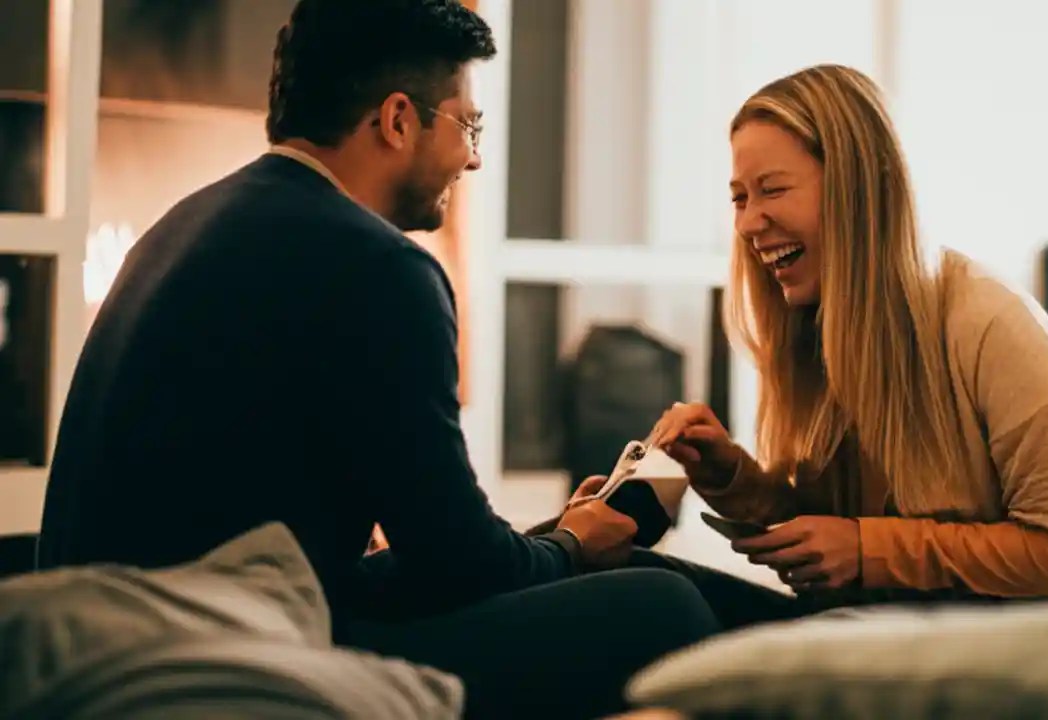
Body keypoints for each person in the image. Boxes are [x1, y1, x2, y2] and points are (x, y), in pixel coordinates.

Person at [37, 1, 717, 717]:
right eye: (468, 127)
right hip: (232, 656)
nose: (475, 158)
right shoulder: (380, 265)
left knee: (602, 572)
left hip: (109, 642)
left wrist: (553, 542)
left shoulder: (183, 226)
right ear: (397, 120)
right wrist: (571, 547)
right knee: (664, 605)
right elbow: (457, 566)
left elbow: (422, 545)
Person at [637, 64, 1048, 629]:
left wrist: (870, 548)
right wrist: (733, 479)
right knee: (645, 587)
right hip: (855, 624)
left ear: (859, 188)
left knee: (661, 609)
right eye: (739, 198)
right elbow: (829, 532)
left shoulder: (992, 324)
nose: (750, 223)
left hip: (961, 650)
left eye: (772, 190)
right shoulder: (813, 325)